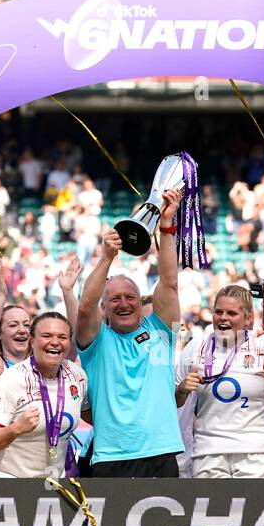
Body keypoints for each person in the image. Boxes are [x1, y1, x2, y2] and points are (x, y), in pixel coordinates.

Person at [76, 190, 184, 478]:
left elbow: (170, 283)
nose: (124, 304)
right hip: (112, 456)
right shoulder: (96, 342)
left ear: (140, 300)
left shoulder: (163, 332)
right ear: (105, 308)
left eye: (130, 297)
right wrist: (107, 257)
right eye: (115, 300)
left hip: (161, 451)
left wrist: (167, 226)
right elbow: (85, 307)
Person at [174, 284, 264, 478]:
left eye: (231, 313)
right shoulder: (195, 348)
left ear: (248, 318)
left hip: (258, 452)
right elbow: (174, 403)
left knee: (253, 507)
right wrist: (182, 390)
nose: (223, 318)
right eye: (218, 312)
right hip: (209, 451)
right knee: (215, 508)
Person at [0, 312, 89, 478]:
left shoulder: (77, 376)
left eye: (62, 337)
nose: (55, 342)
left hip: (51, 485)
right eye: (46, 336)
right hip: (8, 484)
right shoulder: (11, 380)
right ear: (32, 340)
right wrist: (16, 428)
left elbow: (91, 415)